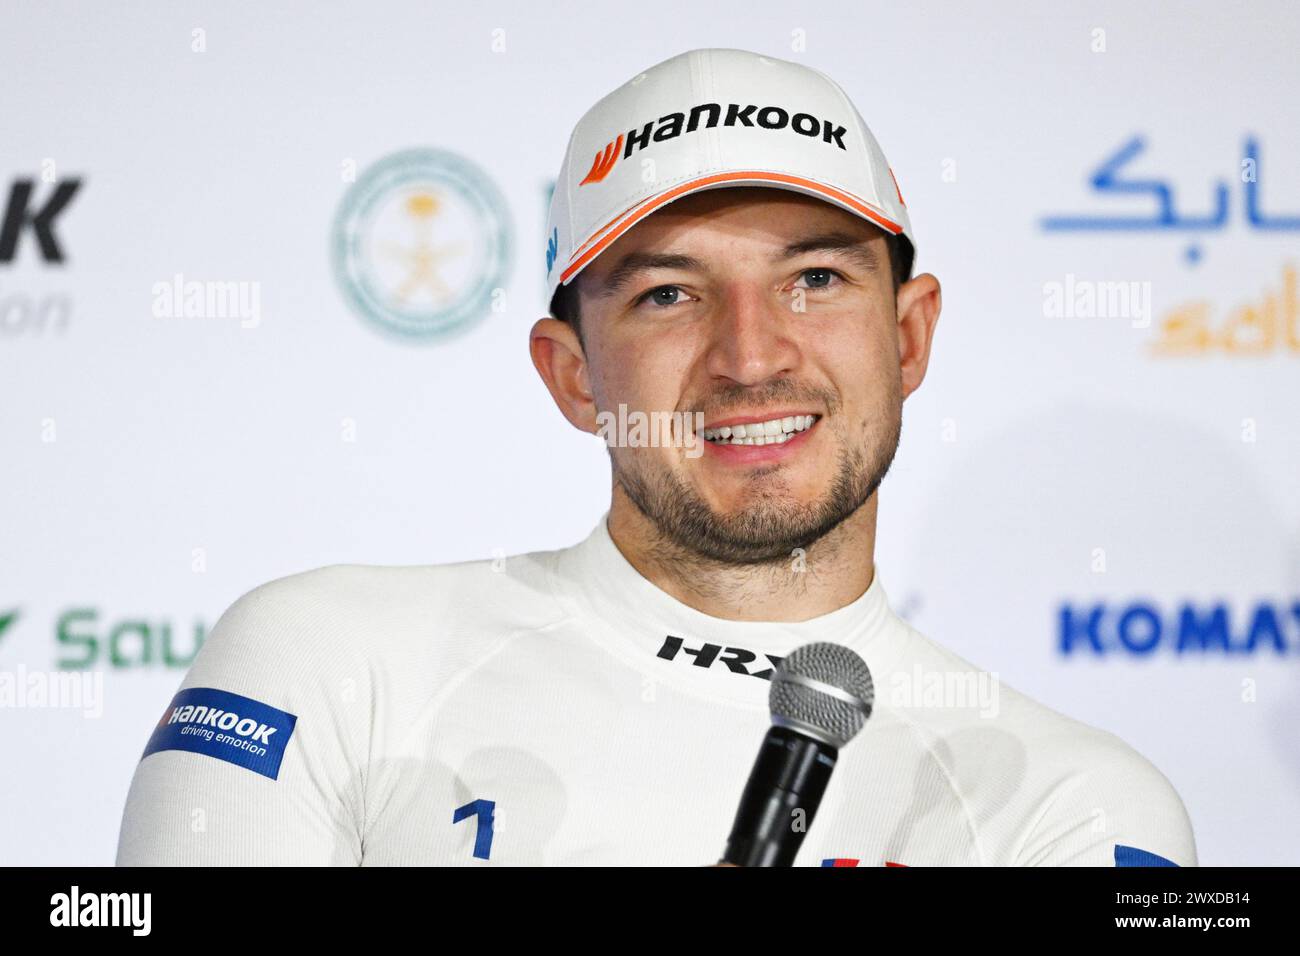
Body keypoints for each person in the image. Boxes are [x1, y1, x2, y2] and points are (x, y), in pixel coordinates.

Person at [116, 48, 1196, 866]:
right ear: (573, 374)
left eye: (813, 278)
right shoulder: (323, 663)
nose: (750, 353)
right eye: (667, 294)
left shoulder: (1079, 806)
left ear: (908, 335)